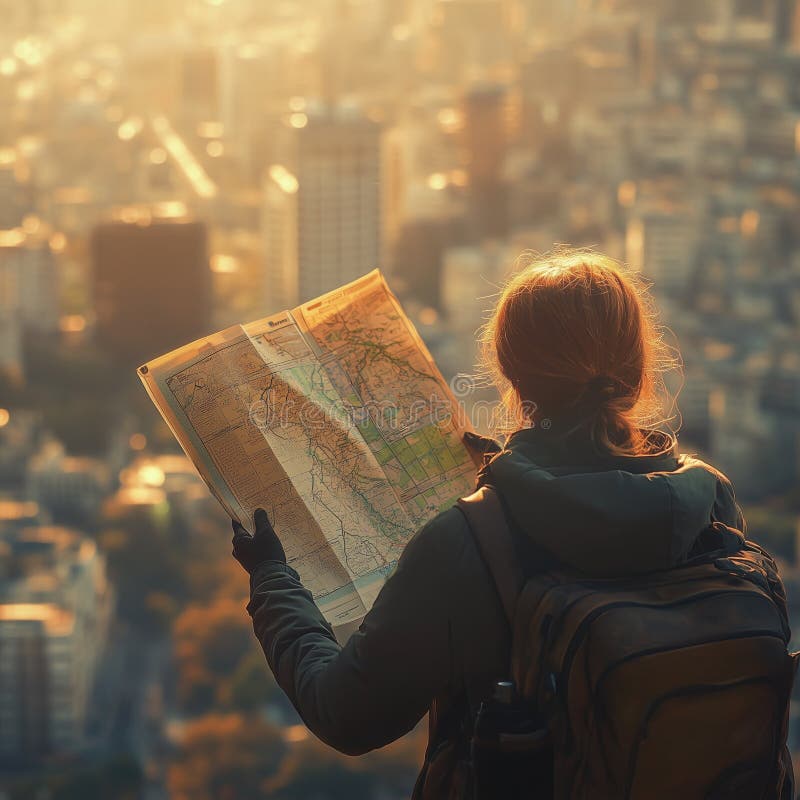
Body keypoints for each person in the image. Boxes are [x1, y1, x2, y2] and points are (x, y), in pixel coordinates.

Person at [231, 251, 788, 798]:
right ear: (640, 373)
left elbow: (346, 713)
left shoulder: (466, 543)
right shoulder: (709, 499)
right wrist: (514, 478)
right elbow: (611, 521)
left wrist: (273, 580)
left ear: (512, 378)